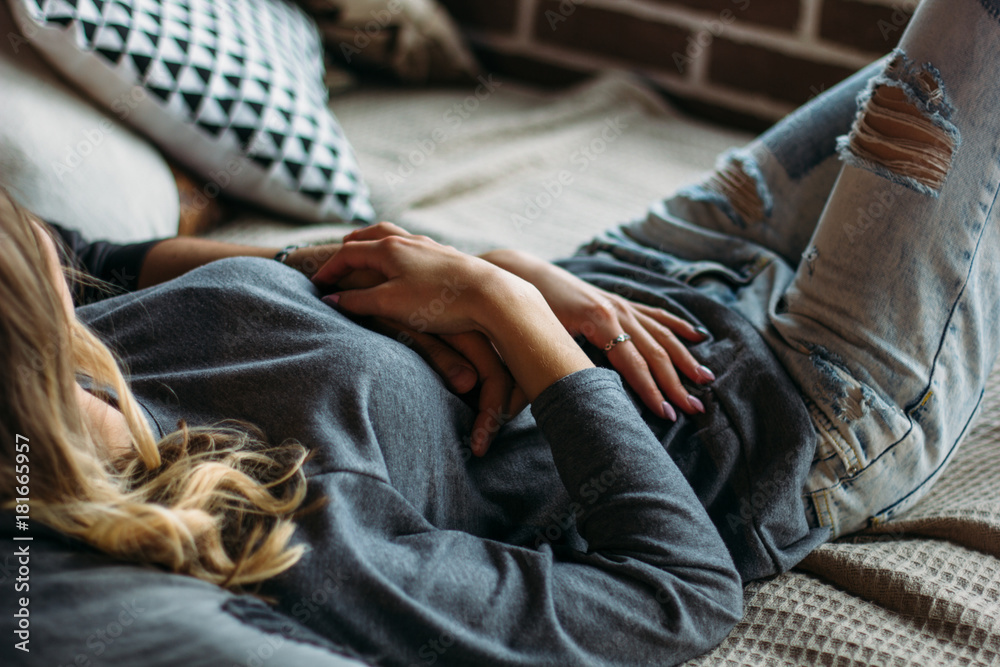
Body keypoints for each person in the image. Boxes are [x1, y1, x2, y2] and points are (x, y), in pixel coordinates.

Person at [3, 0, 998, 664]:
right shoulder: (284, 538)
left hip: (634, 266)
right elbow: (677, 596)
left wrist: (405, 267)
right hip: (786, 404)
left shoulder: (70, 318)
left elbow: (97, 249)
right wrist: (504, 308)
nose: (40, 241)